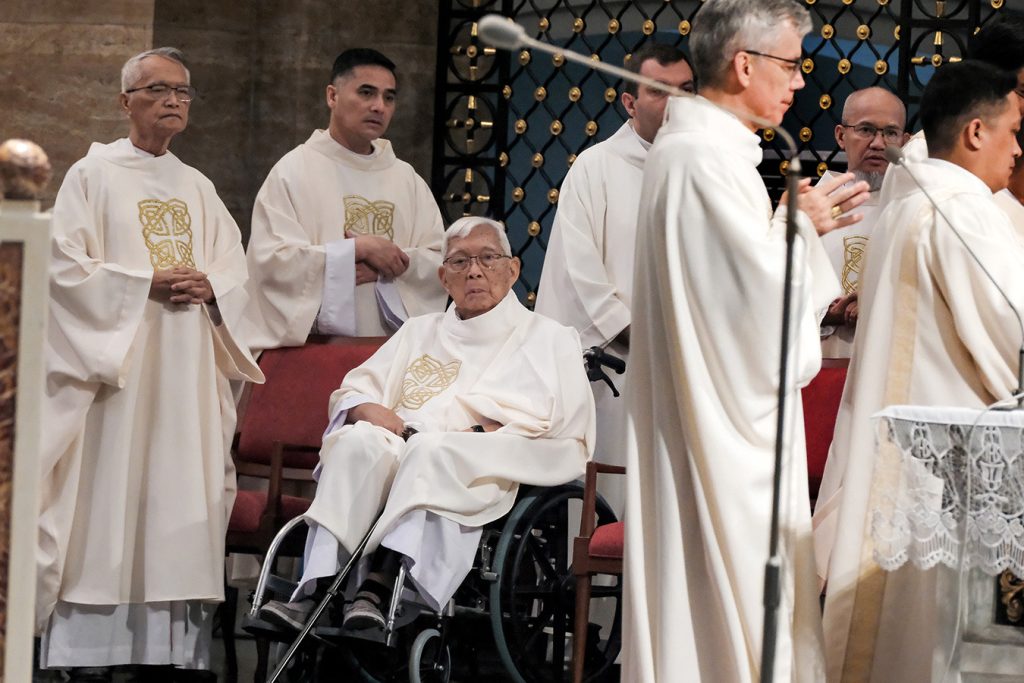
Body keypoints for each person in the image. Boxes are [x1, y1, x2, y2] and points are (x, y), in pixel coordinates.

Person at [621, 0, 869, 680]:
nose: (799, 81)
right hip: (726, 431)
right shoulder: (702, 160)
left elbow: (734, 294)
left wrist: (793, 225)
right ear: (743, 64)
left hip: (717, 415)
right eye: (790, 64)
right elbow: (756, 326)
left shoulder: (701, 152)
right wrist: (800, 227)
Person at [36, 48, 263, 681]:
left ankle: (169, 652)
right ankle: (87, 653)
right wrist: (143, 283)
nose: (173, 101)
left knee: (174, 494)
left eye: (183, 92)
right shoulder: (92, 175)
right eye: (159, 89)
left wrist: (212, 287)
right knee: (109, 493)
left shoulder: (197, 186)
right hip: (118, 371)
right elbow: (62, 270)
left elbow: (235, 268)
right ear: (125, 101)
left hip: (186, 370)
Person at [259, 217, 595, 630]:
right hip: (407, 439)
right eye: (460, 262)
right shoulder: (419, 331)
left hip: (486, 454)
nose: (474, 271)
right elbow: (355, 393)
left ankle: (379, 587)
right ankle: (316, 588)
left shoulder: (549, 337)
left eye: (488, 258)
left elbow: (558, 419)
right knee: (357, 442)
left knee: (431, 449)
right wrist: (371, 413)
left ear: (513, 270)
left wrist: (476, 432)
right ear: (443, 278)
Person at [818, 60, 1023, 682]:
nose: (1019, 150)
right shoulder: (963, 210)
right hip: (955, 464)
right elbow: (1011, 327)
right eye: (1015, 131)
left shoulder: (910, 203)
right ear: (977, 131)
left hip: (908, 456)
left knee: (898, 635)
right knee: (937, 638)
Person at [534, 43, 694, 514]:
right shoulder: (596, 168)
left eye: (687, 90)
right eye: (660, 91)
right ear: (630, 102)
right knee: (615, 501)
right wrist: (642, 337)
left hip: (690, 365)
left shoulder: (707, 172)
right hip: (618, 368)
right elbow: (579, 274)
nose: (677, 103)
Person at [242, 48, 446, 353]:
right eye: (366, 92)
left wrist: (387, 268)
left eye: (389, 97)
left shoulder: (407, 179)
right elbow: (271, 265)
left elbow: (440, 263)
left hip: (393, 350)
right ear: (332, 96)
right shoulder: (293, 171)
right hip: (315, 353)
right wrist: (355, 251)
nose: (379, 106)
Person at [818, 88, 909, 358]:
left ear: (904, 142)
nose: (878, 144)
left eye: (890, 133)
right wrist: (826, 313)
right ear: (840, 136)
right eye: (866, 130)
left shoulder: (913, 210)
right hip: (821, 364)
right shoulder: (811, 208)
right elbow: (775, 298)